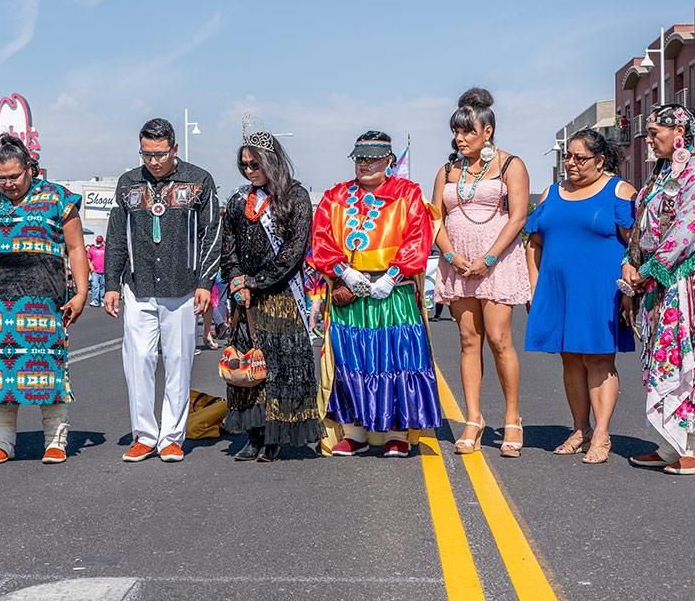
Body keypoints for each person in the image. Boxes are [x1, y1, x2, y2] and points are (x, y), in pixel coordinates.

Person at [0, 134, 87, 465]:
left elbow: (75, 248)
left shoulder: (59, 198)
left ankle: (55, 441)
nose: (9, 184)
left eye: (14, 176)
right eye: (1, 178)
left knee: (50, 374)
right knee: (0, 376)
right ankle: (3, 443)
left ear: (31, 168)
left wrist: (82, 293)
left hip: (44, 301)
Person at [309, 131, 441, 457]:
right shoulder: (335, 196)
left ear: (388, 160)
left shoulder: (408, 194)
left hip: (393, 295)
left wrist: (393, 275)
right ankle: (354, 432)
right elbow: (322, 239)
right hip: (352, 294)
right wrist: (345, 272)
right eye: (359, 159)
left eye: (372, 158)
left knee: (398, 359)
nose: (365, 165)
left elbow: (417, 237)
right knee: (352, 361)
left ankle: (397, 431)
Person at [622, 104, 695, 476]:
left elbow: (688, 228)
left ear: (679, 131)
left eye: (656, 133)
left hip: (685, 279)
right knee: (664, 356)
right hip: (657, 280)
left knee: (691, 358)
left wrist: (651, 268)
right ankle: (671, 444)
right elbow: (642, 225)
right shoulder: (660, 173)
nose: (650, 140)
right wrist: (631, 261)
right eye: (649, 133)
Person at [103, 118, 221, 464]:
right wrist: (111, 284)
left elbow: (212, 235)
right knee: (137, 363)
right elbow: (115, 237)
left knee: (178, 362)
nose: (153, 161)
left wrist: (205, 282)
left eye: (160, 154)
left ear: (174, 149)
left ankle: (171, 436)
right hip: (138, 288)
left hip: (182, 288)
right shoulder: (128, 184)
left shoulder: (198, 181)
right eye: (146, 154)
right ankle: (143, 435)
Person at [523, 129, 637, 464]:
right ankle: (579, 429)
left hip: (601, 290)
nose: (571, 163)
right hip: (558, 290)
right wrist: (534, 286)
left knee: (599, 358)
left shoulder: (619, 190)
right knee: (570, 358)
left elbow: (635, 243)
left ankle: (601, 433)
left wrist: (631, 288)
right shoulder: (552, 193)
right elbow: (535, 243)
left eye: (580, 158)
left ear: (600, 161)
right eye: (568, 157)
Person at [431, 88, 531, 457]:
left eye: (467, 132)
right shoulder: (447, 170)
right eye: (456, 132)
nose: (460, 138)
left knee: (499, 337)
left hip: (496, 260)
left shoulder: (510, 165)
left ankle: (512, 419)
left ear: (487, 131)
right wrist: (450, 253)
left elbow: (518, 215)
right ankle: (473, 419)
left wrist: (488, 258)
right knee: (468, 339)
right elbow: (435, 216)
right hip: (457, 261)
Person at [220, 131, 320, 462]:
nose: (249, 170)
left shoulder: (295, 197)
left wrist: (255, 280)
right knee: (249, 369)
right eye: (244, 165)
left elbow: (293, 252)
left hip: (280, 296)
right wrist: (236, 280)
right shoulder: (237, 200)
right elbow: (229, 247)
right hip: (245, 300)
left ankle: (277, 437)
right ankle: (254, 434)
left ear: (272, 160)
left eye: (255, 164)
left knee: (280, 368)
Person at [86, 237, 106, 307]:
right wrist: (91, 268)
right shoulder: (92, 249)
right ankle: (95, 300)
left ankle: (102, 300)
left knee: (102, 286)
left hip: (104, 270)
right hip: (95, 271)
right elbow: (88, 258)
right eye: (97, 241)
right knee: (95, 286)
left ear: (102, 241)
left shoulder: (105, 249)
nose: (98, 243)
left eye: (100, 242)